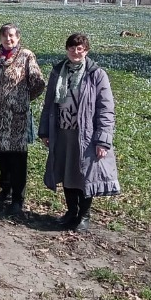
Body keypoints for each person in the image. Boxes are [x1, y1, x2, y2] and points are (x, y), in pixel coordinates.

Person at [38, 33, 120, 232]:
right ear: (67, 49)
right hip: (63, 132)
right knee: (67, 173)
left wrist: (103, 140)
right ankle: (71, 212)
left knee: (84, 176)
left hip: (86, 135)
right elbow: (49, 104)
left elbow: (106, 109)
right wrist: (45, 132)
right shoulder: (58, 71)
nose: (75, 52)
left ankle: (84, 215)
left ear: (86, 51)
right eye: (72, 48)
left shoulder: (96, 74)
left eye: (80, 48)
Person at [0, 23, 45, 214]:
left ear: (18, 38)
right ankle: (5, 189)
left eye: (12, 36)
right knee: (1, 153)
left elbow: (38, 82)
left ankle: (18, 198)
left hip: (16, 117)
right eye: (5, 36)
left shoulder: (26, 56)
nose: (8, 39)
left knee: (17, 157)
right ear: (0, 38)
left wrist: (23, 98)